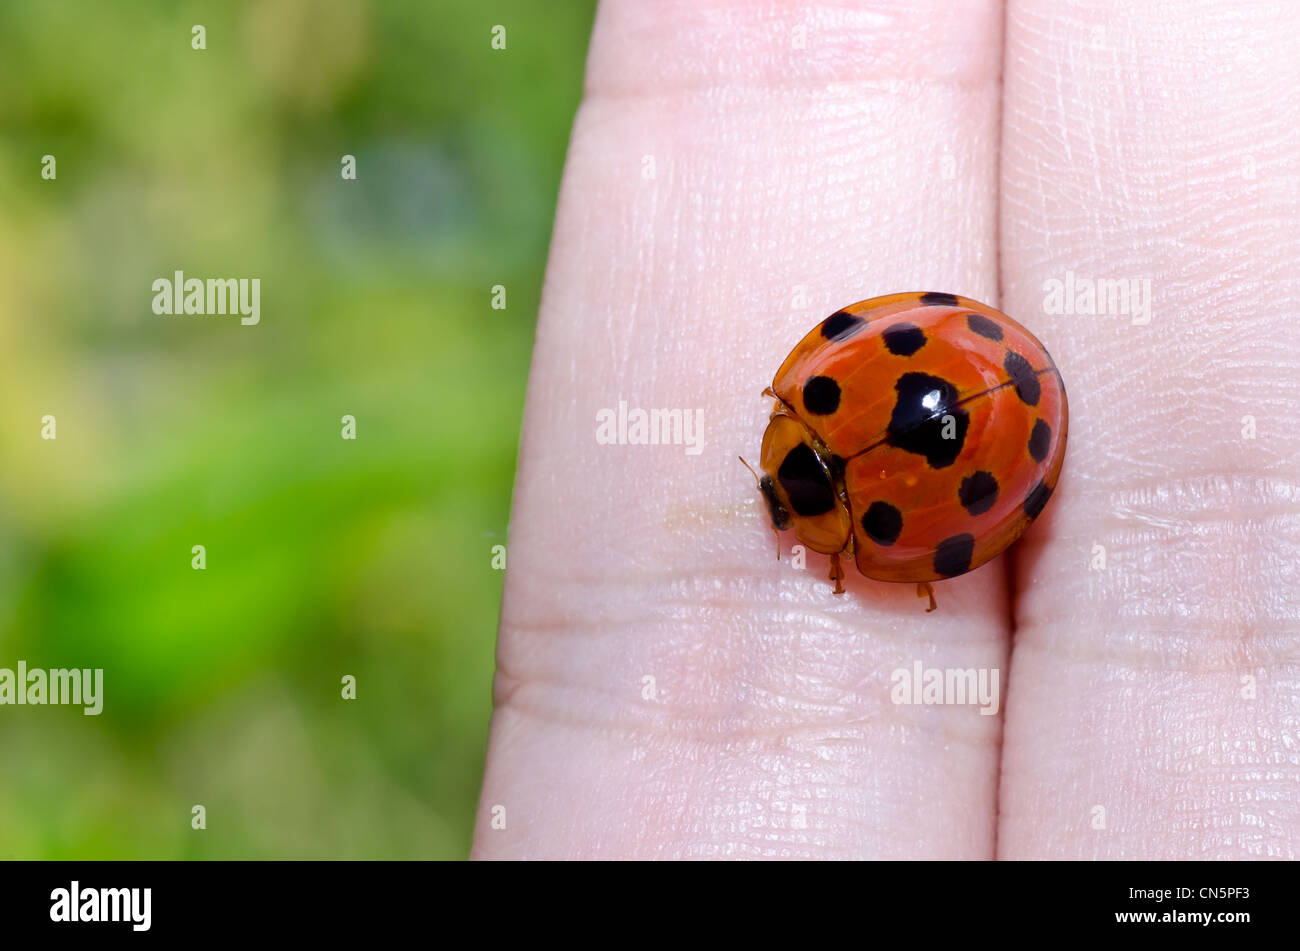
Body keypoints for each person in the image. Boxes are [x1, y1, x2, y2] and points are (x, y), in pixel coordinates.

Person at [474, 0, 1300, 859]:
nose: (779, 508)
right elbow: (867, 344)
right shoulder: (815, 404)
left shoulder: (860, 515)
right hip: (986, 373)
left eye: (782, 498)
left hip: (994, 381)